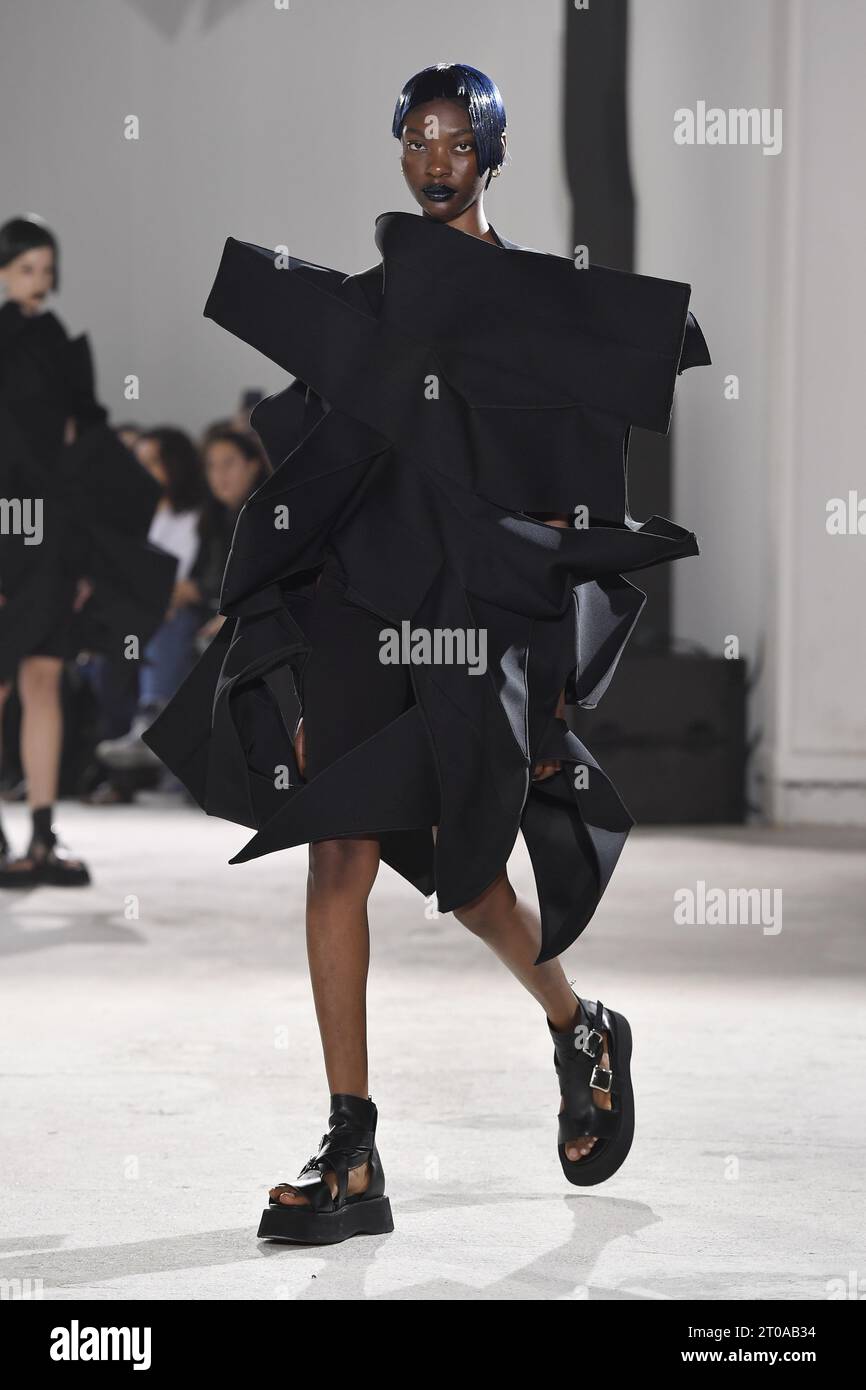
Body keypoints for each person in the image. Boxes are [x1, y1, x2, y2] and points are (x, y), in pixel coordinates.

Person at [143, 62, 711, 1244]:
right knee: (335, 846)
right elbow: (316, 485)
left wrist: (548, 691)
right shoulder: (358, 309)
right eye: (417, 136)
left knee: (465, 874)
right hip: (360, 606)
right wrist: (289, 640)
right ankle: (351, 1146)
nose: (435, 155)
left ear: (489, 153)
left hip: (471, 614)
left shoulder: (542, 313)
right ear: (399, 151)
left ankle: (575, 1024)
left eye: (457, 137)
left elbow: (577, 510)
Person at [0, 216, 175, 885]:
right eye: (25, 269)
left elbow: (87, 442)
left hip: (52, 534)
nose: (39, 283)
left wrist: (82, 549)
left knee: (43, 674)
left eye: (46, 270)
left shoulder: (60, 346)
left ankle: (42, 836)